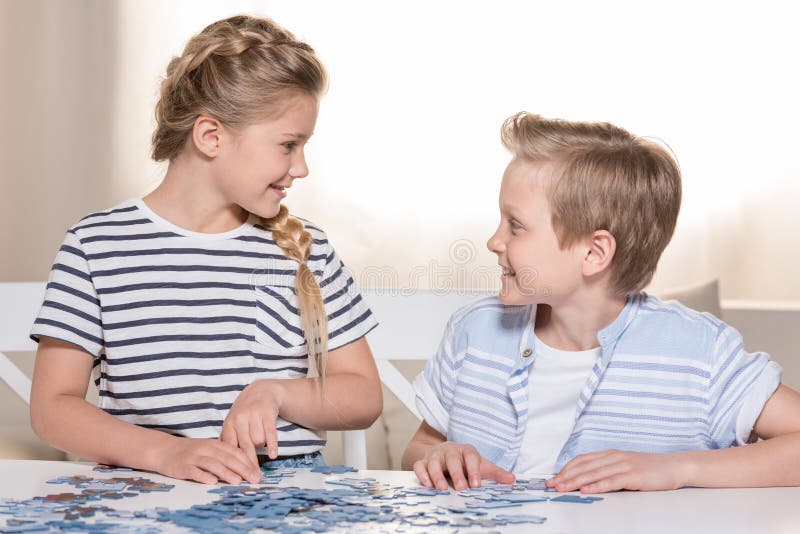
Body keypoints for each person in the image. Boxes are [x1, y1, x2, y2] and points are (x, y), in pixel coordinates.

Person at [29, 15, 382, 485]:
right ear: (211, 136)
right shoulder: (95, 247)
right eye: (288, 145)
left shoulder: (306, 250)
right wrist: (167, 453)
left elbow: (364, 397)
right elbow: (53, 408)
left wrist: (277, 392)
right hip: (148, 484)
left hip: (288, 497)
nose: (301, 167)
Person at [402, 112, 800, 494]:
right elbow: (419, 449)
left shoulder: (697, 353)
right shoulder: (473, 332)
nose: (494, 241)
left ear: (594, 253)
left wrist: (678, 467)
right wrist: (438, 455)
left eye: (515, 225)